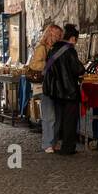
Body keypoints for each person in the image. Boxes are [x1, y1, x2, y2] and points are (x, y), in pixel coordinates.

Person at [43, 23, 84, 156]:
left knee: (59, 120)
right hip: (69, 91)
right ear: (72, 38)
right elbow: (78, 69)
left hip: (56, 91)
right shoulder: (70, 50)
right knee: (70, 120)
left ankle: (57, 143)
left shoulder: (53, 48)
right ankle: (67, 148)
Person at [26, 23, 62, 152]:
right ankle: (47, 144)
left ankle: (54, 142)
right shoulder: (42, 48)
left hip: (54, 85)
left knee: (57, 115)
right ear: (50, 34)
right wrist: (50, 64)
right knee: (49, 115)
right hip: (44, 86)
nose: (59, 37)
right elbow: (35, 65)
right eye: (57, 34)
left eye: (60, 35)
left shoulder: (54, 48)